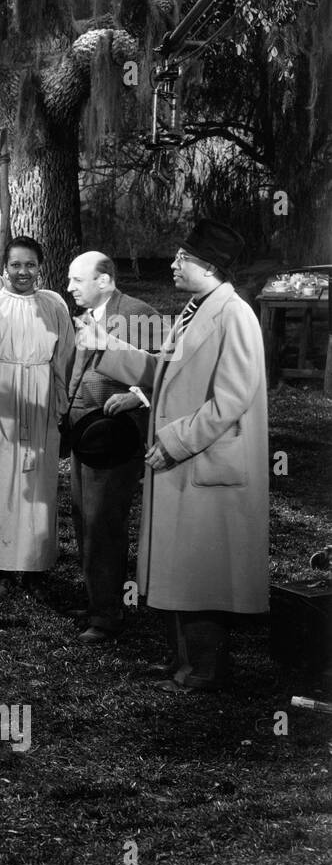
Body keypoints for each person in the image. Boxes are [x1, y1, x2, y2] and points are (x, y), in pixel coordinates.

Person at [84, 219, 268, 693]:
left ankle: (204, 670)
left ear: (207, 266)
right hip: (186, 460)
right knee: (179, 566)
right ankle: (182, 661)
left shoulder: (235, 316)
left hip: (203, 458)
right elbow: (163, 372)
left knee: (201, 571)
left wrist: (174, 440)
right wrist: (106, 347)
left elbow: (232, 400)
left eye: (182, 258)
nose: (173, 264)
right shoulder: (196, 309)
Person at [64, 251, 159, 643]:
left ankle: (107, 615)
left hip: (115, 438)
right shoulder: (87, 316)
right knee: (84, 518)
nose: (69, 288)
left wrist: (136, 397)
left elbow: (162, 369)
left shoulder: (139, 312)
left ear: (104, 281)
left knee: (104, 522)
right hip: (85, 433)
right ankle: (95, 599)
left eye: (76, 280)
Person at [0, 236, 74, 589]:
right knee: (0, 477)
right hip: (3, 396)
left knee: (37, 479)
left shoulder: (54, 305)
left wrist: (62, 404)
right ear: (4, 268)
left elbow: (65, 357)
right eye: (16, 265)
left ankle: (34, 560)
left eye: (30, 265)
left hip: (41, 395)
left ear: (40, 268)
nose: (23, 272)